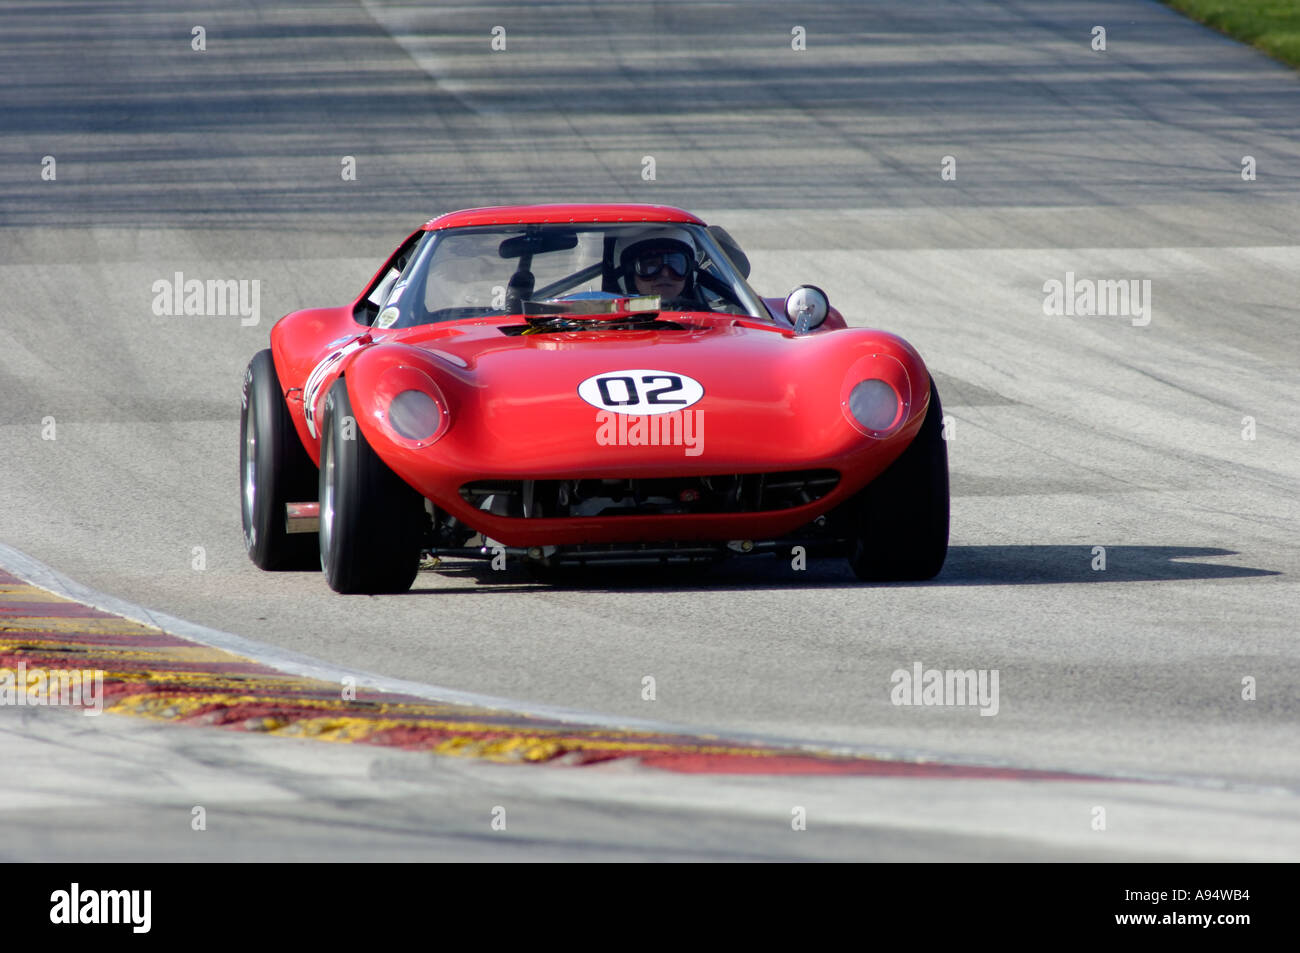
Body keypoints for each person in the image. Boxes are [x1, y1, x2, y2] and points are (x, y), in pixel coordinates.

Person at [613, 227, 701, 305]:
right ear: (629, 273)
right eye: (651, 265)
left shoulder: (705, 319)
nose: (665, 273)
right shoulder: (608, 322)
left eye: (674, 264)